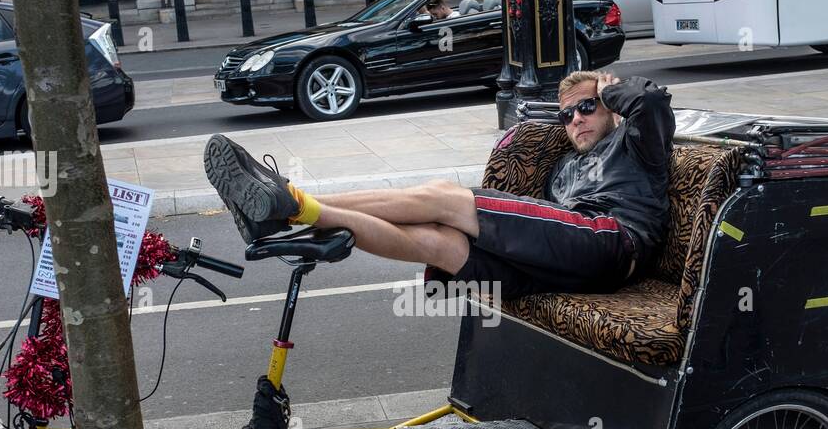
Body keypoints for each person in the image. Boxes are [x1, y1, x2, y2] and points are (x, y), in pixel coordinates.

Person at [203, 70, 675, 298]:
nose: (575, 119)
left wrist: (612, 91)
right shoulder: (563, 168)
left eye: (587, 106)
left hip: (612, 240)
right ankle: (286, 218)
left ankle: (288, 201)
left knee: (444, 196)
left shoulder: (637, 144)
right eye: (566, 114)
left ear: (611, 107)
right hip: (566, 265)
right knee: (440, 241)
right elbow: (543, 233)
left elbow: (653, 104)